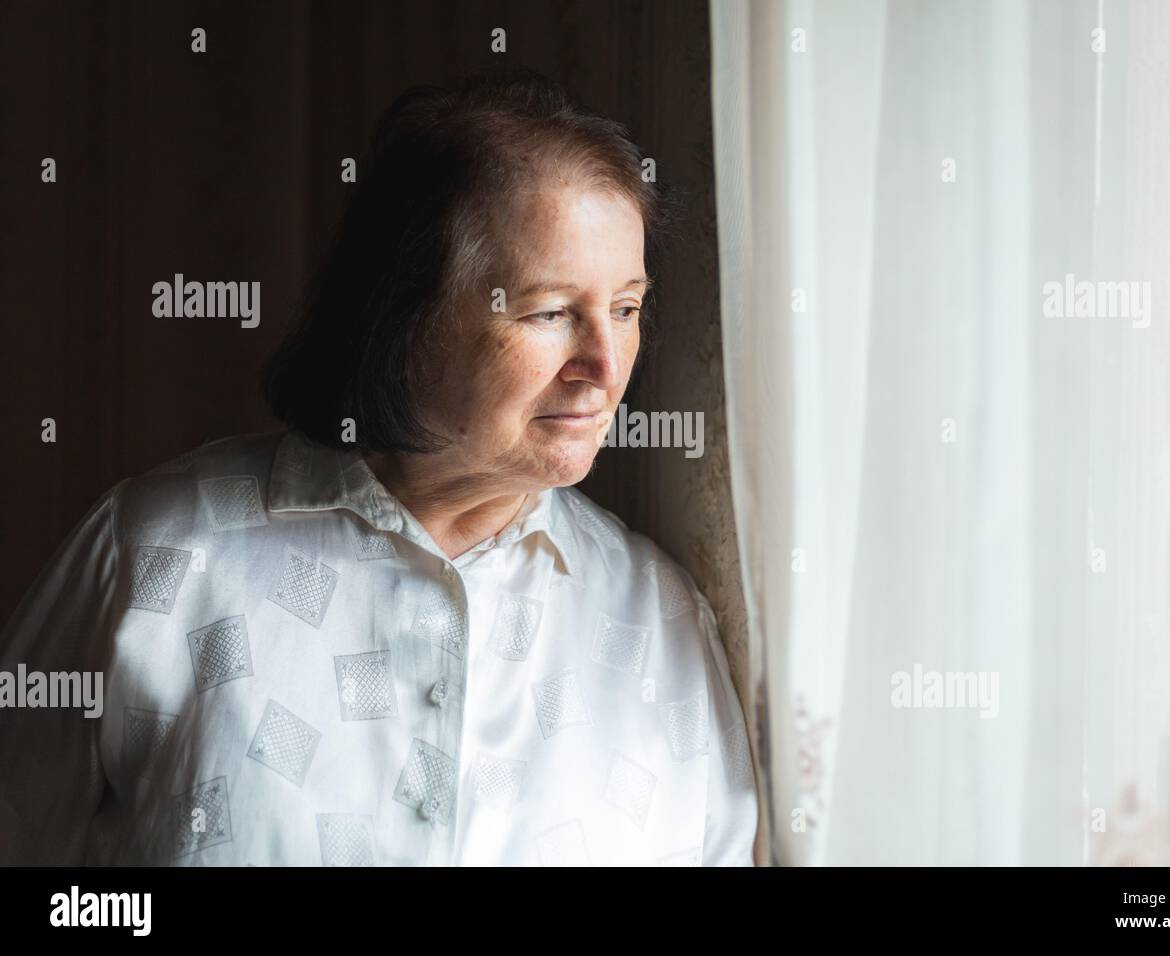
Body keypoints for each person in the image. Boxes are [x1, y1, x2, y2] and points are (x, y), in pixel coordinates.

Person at [0, 72, 758, 866]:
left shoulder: (657, 619)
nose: (604, 365)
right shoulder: (159, 555)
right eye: (549, 312)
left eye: (627, 308)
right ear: (410, 315)